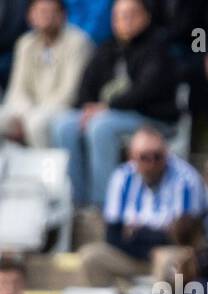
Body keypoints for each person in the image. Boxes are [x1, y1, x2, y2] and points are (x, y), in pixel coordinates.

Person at [50, 0, 175, 206]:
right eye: (119, 16)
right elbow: (86, 85)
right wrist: (88, 106)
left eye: (131, 14)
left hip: (151, 116)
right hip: (108, 113)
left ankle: (103, 203)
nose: (125, 20)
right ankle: (76, 201)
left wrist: (107, 107)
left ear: (146, 17)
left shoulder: (158, 46)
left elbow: (146, 90)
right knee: (63, 125)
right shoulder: (107, 47)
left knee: (101, 127)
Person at [78, 126, 206, 287]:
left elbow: (184, 235)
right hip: (133, 255)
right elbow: (112, 234)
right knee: (91, 257)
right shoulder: (122, 177)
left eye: (157, 156)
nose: (152, 162)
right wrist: (153, 238)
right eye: (145, 157)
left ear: (166, 154)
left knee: (169, 260)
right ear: (132, 157)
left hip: (170, 253)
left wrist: (135, 233)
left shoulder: (187, 179)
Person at [0, 0, 92, 148]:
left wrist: (34, 113)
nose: (46, 16)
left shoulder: (78, 42)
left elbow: (70, 92)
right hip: (29, 109)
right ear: (30, 16)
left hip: (64, 108)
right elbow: (17, 89)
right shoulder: (25, 43)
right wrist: (25, 112)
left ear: (63, 15)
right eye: (40, 11)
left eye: (51, 12)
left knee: (37, 123)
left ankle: (44, 169)